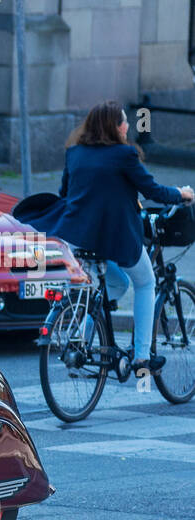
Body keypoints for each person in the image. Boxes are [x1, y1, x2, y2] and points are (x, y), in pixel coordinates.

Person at [20, 100, 194, 376]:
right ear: (113, 127)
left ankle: (81, 342)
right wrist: (182, 194)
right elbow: (153, 191)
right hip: (115, 236)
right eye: (124, 122)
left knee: (115, 283)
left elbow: (65, 193)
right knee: (145, 282)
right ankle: (141, 358)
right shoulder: (124, 155)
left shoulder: (74, 153)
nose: (127, 126)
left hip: (77, 236)